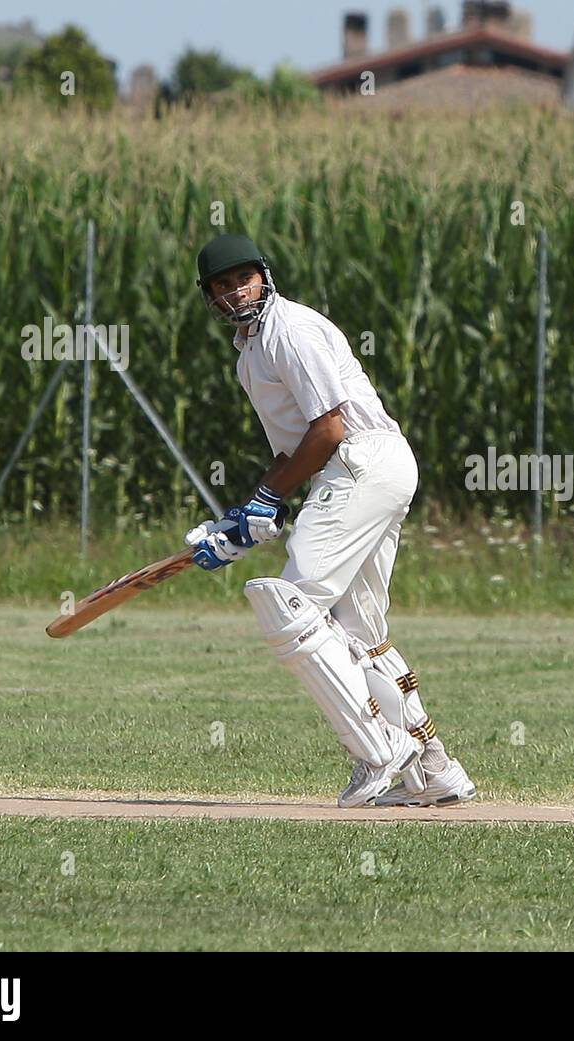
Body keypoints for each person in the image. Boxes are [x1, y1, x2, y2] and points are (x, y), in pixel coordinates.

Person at [185, 233, 476, 808]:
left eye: (244, 278)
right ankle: (433, 770)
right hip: (366, 469)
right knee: (361, 632)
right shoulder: (251, 353)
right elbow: (293, 451)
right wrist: (245, 518)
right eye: (223, 285)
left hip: (360, 461)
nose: (236, 291)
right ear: (210, 298)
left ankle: (377, 750)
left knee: (290, 603)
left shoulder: (289, 331)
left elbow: (331, 428)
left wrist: (268, 499)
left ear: (265, 276)